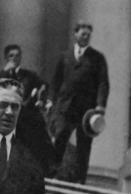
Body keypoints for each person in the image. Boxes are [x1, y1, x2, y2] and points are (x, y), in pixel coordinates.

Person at [48, 22, 109, 183]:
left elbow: (103, 83)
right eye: (83, 33)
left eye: (88, 34)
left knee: (84, 146)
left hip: (86, 111)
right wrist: (53, 103)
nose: (86, 36)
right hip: (64, 107)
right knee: (59, 138)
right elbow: (55, 82)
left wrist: (100, 105)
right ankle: (50, 174)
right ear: (75, 34)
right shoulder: (65, 56)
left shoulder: (97, 58)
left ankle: (80, 182)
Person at [0, 44, 55, 173]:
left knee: (39, 138)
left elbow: (44, 85)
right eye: (11, 56)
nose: (14, 58)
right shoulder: (2, 76)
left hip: (28, 116)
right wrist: (5, 71)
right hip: (11, 117)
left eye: (17, 55)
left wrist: (40, 99)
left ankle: (46, 169)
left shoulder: (29, 75)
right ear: (6, 58)